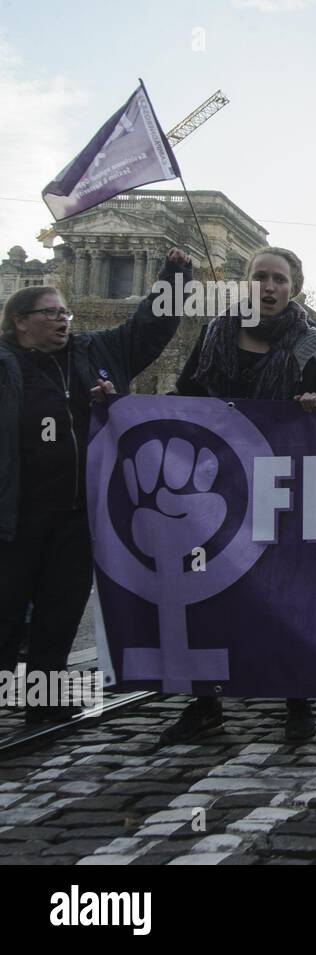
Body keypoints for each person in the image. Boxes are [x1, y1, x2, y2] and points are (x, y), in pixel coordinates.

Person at [162, 247, 316, 745]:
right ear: (245, 283)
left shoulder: (315, 346)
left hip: (279, 491)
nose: (268, 287)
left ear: (294, 289)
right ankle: (205, 705)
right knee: (209, 594)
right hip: (212, 490)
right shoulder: (215, 334)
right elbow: (185, 398)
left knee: (286, 598)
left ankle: (297, 700)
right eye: (259, 277)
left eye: (279, 280)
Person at [1, 252, 184, 721]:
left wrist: (175, 278)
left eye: (64, 312)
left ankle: (47, 705)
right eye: (50, 312)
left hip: (80, 513)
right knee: (5, 612)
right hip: (16, 517)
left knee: (59, 613)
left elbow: (149, 329)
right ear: (20, 323)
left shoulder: (94, 352)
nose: (62, 320)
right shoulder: (6, 366)